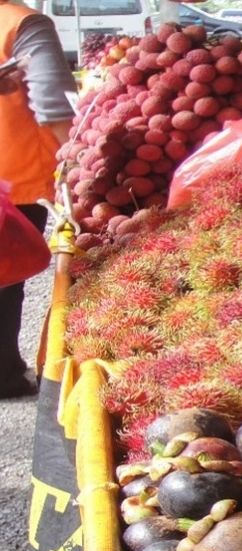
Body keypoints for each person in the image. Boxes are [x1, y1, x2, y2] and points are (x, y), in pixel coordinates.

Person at [0, 0, 74, 398]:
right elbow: (55, 106)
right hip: (13, 180)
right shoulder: (23, 23)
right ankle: (4, 376)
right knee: (6, 278)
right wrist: (81, 164)